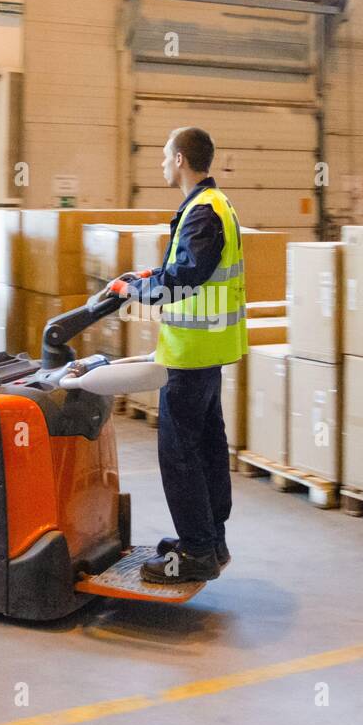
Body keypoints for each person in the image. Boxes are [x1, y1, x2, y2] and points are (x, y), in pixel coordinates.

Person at [107, 127, 247, 584]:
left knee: (179, 452)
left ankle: (196, 553)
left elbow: (184, 278)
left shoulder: (203, 212)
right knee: (206, 445)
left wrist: (135, 290)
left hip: (192, 352)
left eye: (165, 157)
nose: (162, 165)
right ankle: (209, 539)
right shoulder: (213, 205)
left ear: (182, 159)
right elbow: (188, 269)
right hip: (207, 348)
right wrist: (151, 273)